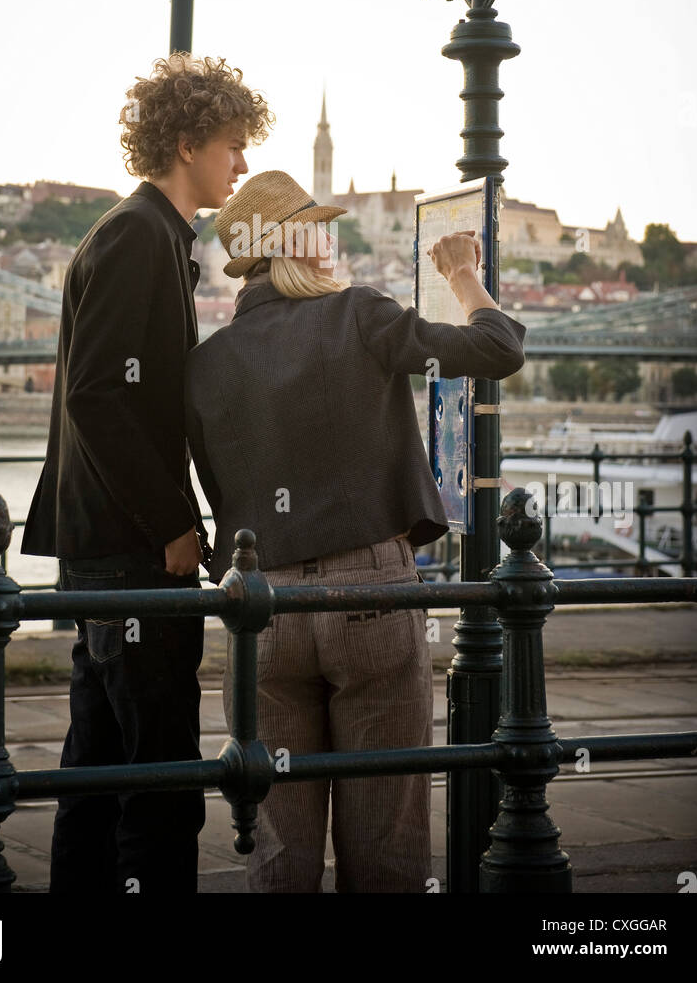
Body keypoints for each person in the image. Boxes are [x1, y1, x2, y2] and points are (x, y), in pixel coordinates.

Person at [183, 170, 526, 893]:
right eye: (320, 227)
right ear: (296, 245)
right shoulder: (358, 317)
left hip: (261, 611)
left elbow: (217, 497)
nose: (331, 241)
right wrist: (463, 274)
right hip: (370, 587)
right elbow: (496, 346)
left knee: (278, 849)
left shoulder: (206, 365)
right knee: (387, 843)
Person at [21, 52, 273, 893]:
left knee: (92, 777)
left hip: (100, 549)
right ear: (190, 139)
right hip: (130, 552)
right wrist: (173, 521)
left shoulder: (139, 231)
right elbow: (97, 395)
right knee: (161, 785)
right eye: (234, 145)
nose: (242, 164)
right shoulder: (138, 237)